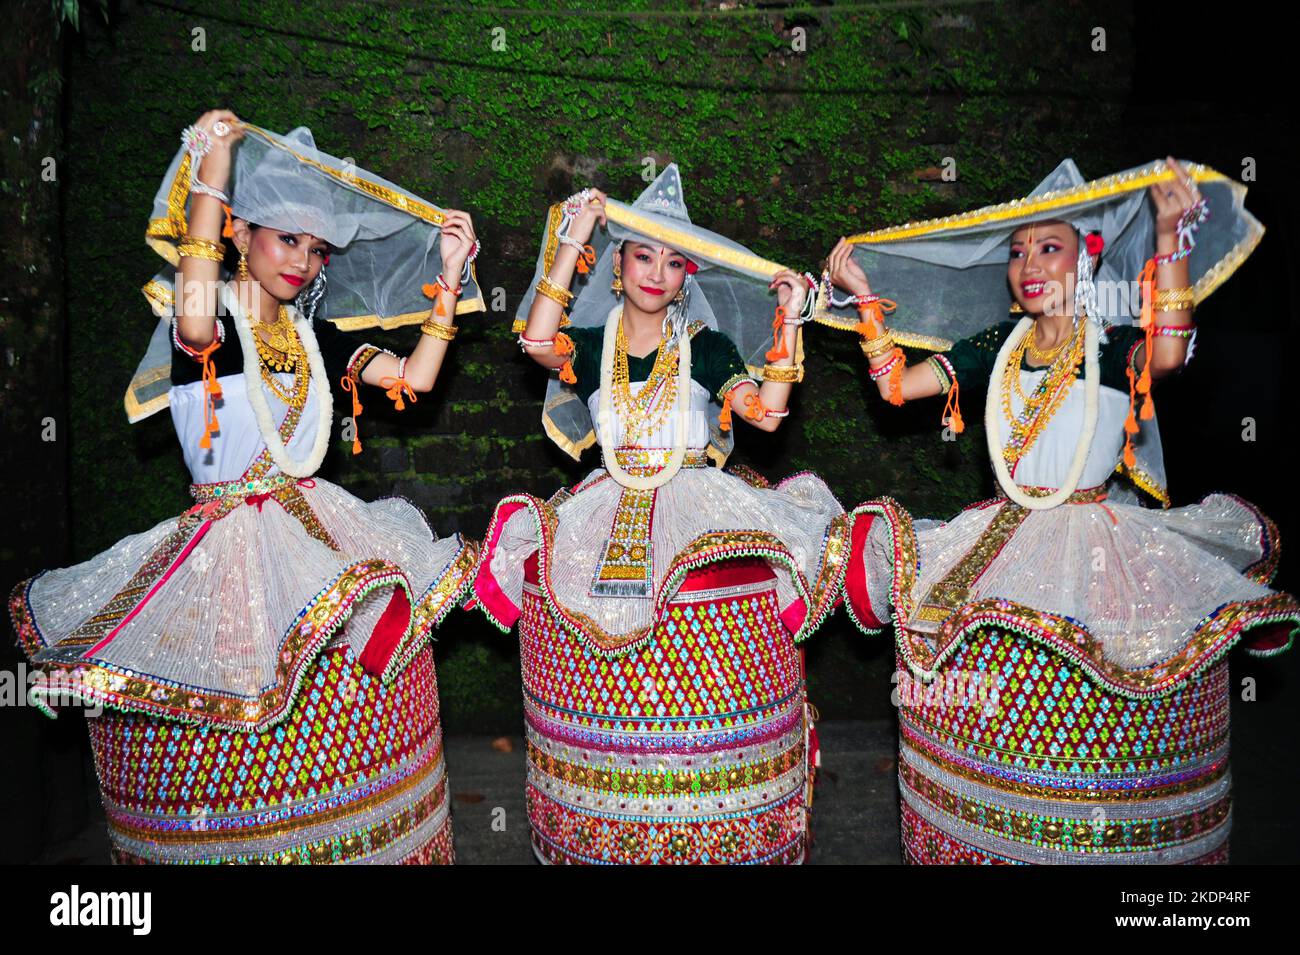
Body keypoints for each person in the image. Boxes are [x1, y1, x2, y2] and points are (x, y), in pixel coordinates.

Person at [8, 110, 484, 864]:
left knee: (340, 726)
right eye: (286, 237)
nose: (303, 260)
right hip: (226, 547)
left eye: (318, 247)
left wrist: (452, 275)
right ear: (238, 233)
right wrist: (213, 166)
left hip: (320, 536)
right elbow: (194, 308)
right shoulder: (208, 321)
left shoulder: (316, 335)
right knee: (236, 740)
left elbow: (416, 379)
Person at [824, 157, 1299, 864]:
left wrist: (1168, 237)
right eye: (1018, 251)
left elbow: (1167, 352)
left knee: (1101, 729)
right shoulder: (999, 344)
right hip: (1004, 546)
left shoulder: (1108, 338)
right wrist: (863, 298)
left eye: (1050, 247)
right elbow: (897, 387)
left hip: (1103, 548)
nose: (1028, 264)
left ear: (1089, 257)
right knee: (999, 725)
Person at [472, 165, 847, 864]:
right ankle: (615, 833)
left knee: (699, 689)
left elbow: (763, 414)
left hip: (696, 506)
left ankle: (713, 829)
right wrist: (574, 235)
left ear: (687, 277)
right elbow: (533, 341)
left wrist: (790, 324)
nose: (657, 272)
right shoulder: (591, 346)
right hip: (605, 507)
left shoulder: (705, 345)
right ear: (617, 264)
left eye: (674, 262)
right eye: (643, 254)